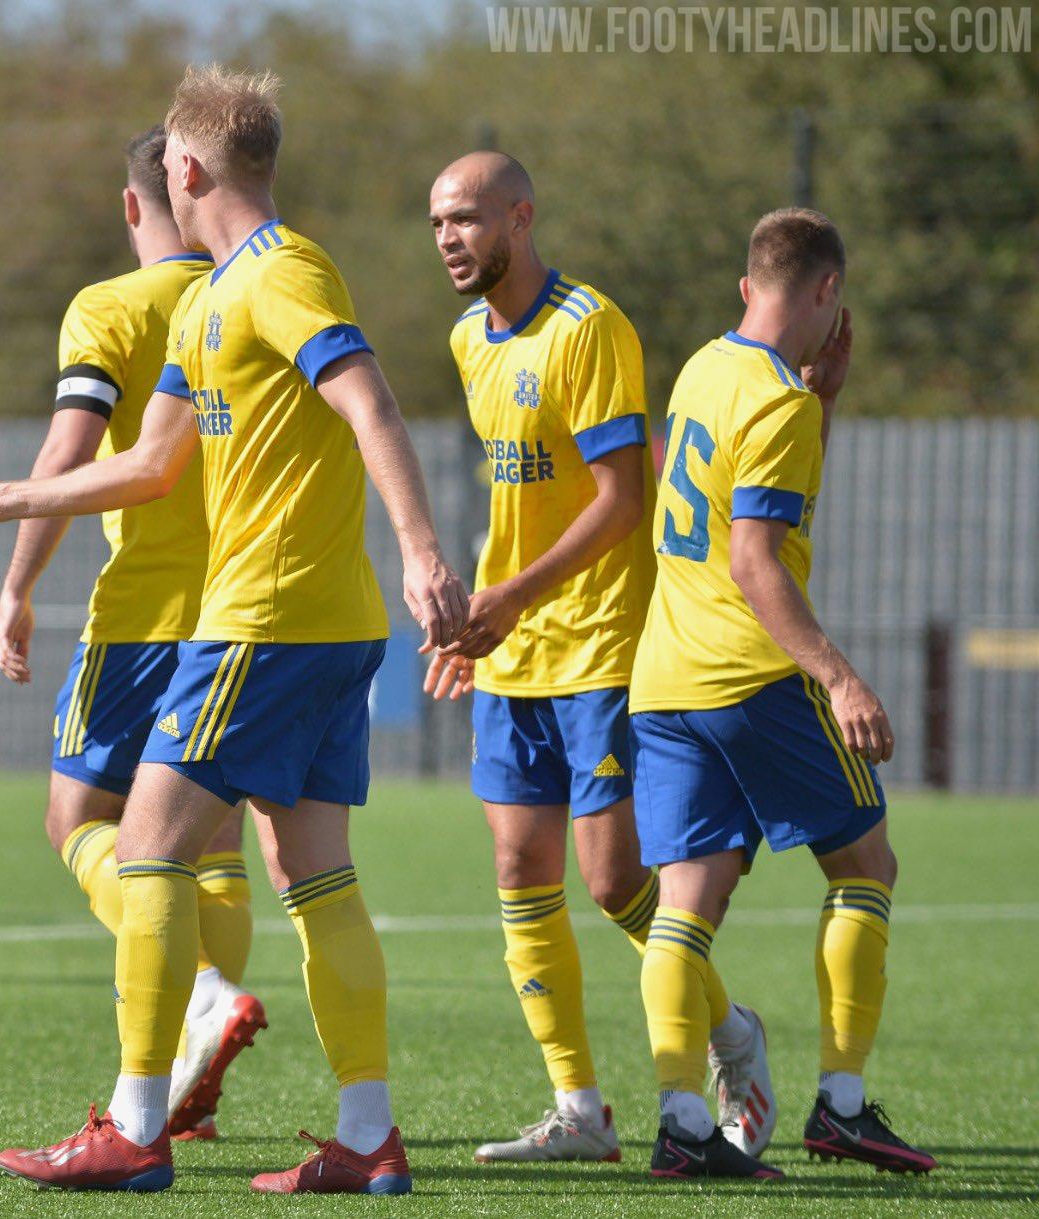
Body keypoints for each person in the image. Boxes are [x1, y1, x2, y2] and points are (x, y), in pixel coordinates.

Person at [0, 65, 469, 1195]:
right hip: (320, 629)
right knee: (315, 875)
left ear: (183, 171)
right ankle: (367, 1139)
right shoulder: (211, 297)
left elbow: (367, 396)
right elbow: (148, 462)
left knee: (146, 849)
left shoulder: (281, 271)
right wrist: (9, 501)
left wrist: (422, 550)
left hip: (263, 622)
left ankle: (133, 1130)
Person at [422, 152, 772, 1164]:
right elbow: (515, 503)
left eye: (468, 219)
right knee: (516, 868)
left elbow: (624, 497)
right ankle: (578, 1110)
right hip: (513, 655)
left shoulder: (588, 327)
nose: (448, 237)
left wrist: (509, 598)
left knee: (616, 879)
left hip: (604, 647)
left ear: (521, 217)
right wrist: (476, 631)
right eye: (437, 221)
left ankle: (731, 1035)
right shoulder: (463, 339)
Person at [630, 207, 935, 1179]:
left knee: (682, 911)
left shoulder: (704, 370)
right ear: (826, 292)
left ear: (744, 285)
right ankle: (840, 1105)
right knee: (866, 867)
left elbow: (755, 514)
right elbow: (757, 562)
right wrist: (838, 676)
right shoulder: (777, 402)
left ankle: (683, 1125)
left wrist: (826, 401)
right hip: (751, 674)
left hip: (664, 679)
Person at [0, 124, 262, 1142]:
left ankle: (196, 994)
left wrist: (15, 580)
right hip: (244, 613)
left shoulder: (110, 306)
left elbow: (70, 446)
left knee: (76, 826)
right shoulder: (248, 290)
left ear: (130, 203)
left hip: (144, 615)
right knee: (210, 846)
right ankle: (190, 1068)